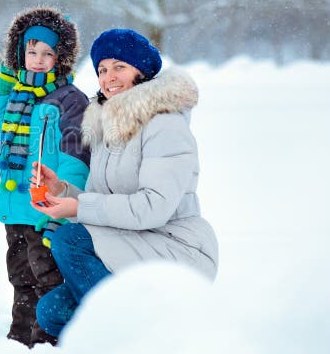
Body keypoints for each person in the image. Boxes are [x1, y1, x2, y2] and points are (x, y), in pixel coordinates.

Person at [30, 28, 219, 338]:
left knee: (70, 240)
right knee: (51, 311)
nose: (109, 77)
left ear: (141, 72)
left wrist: (80, 206)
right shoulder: (109, 124)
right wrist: (62, 191)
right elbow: (101, 201)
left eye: (119, 67)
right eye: (102, 70)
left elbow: (152, 208)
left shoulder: (165, 124)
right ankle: (114, 335)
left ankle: (130, 336)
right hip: (130, 241)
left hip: (175, 246)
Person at [0, 6, 90, 347]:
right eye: (31, 52)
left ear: (61, 58)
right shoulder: (17, 94)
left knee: (48, 277)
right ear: (20, 54)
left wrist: (64, 201)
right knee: (20, 277)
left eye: (48, 53)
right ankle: (20, 338)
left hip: (45, 209)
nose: (38, 60)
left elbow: (74, 157)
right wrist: (4, 81)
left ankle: (49, 341)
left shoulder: (68, 100)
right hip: (15, 208)